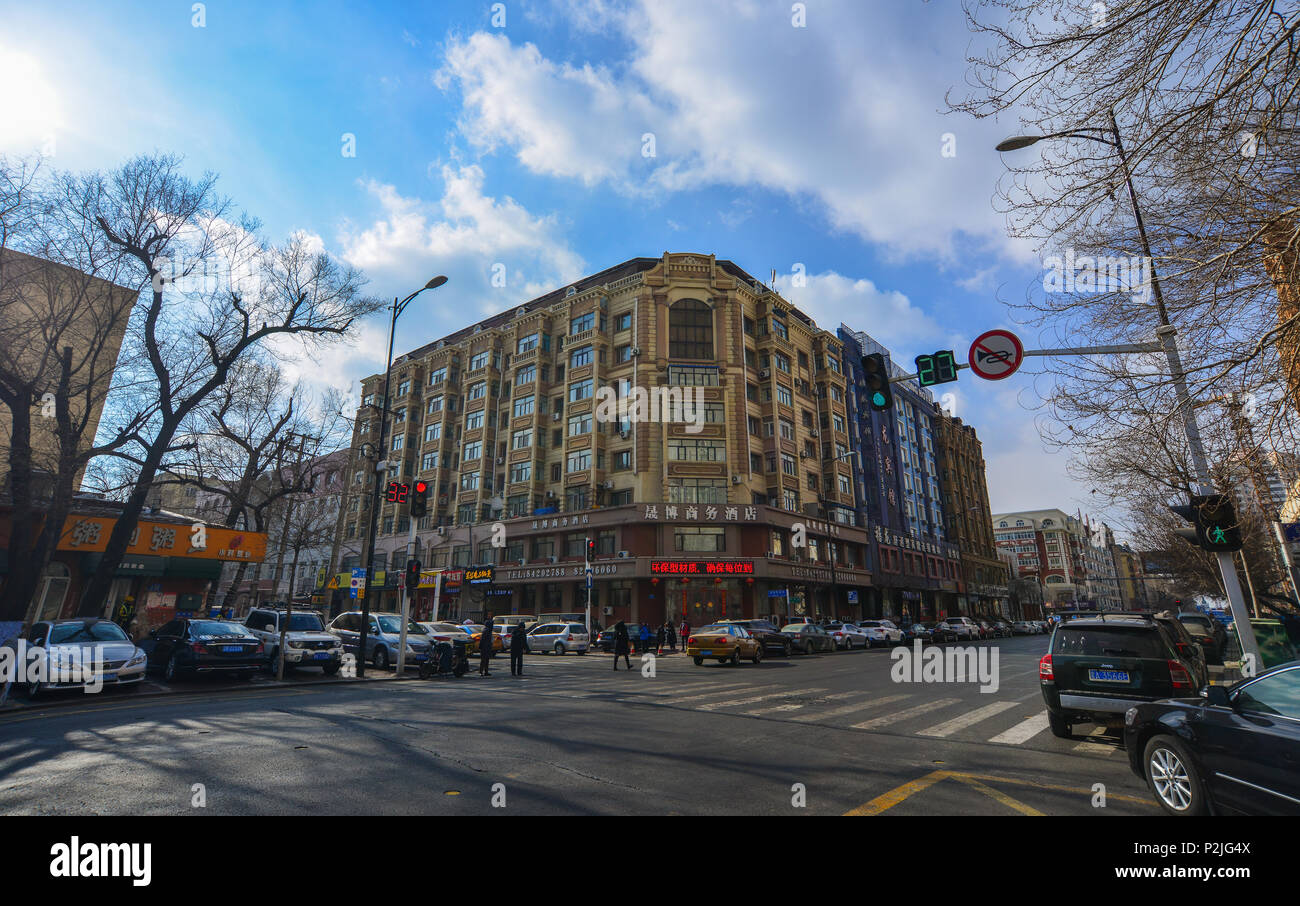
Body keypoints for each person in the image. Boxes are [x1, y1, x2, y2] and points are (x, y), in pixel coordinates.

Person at [479, 612, 495, 676]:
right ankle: (481, 671)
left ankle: (485, 671)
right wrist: (480, 647)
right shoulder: (486, 631)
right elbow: (482, 639)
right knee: (483, 659)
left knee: (486, 659)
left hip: (487, 646)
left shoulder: (488, 631)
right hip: (485, 647)